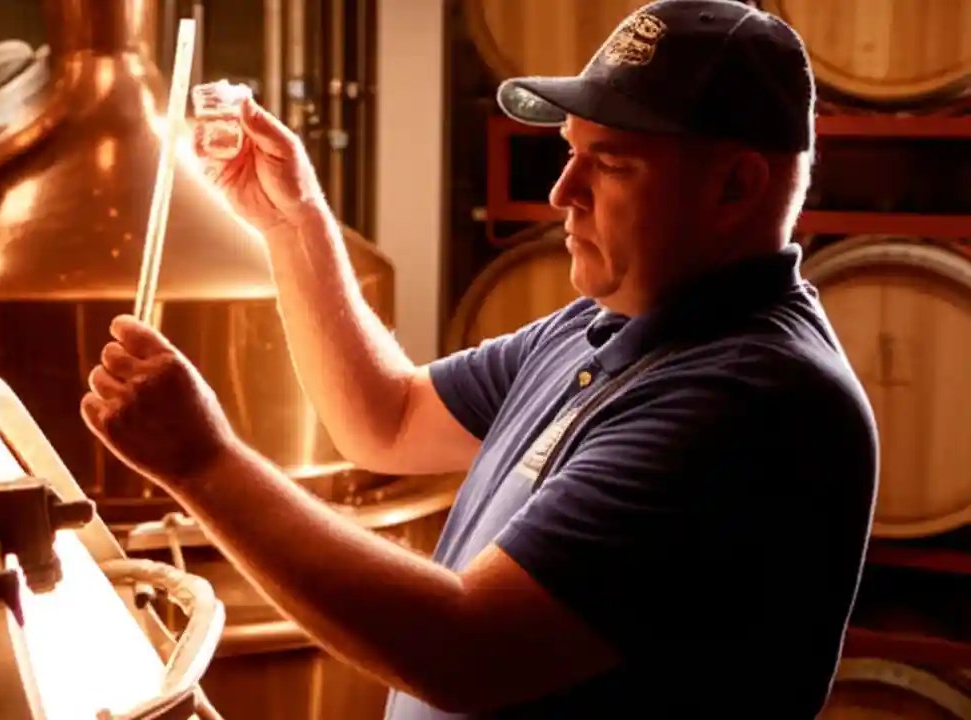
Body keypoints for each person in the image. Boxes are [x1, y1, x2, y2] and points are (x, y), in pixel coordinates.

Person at [81, 0, 879, 716]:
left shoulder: (749, 400)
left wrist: (205, 465)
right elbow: (386, 421)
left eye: (610, 163)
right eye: (571, 151)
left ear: (736, 187)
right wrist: (293, 223)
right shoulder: (598, 327)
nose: (563, 191)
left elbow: (465, 649)